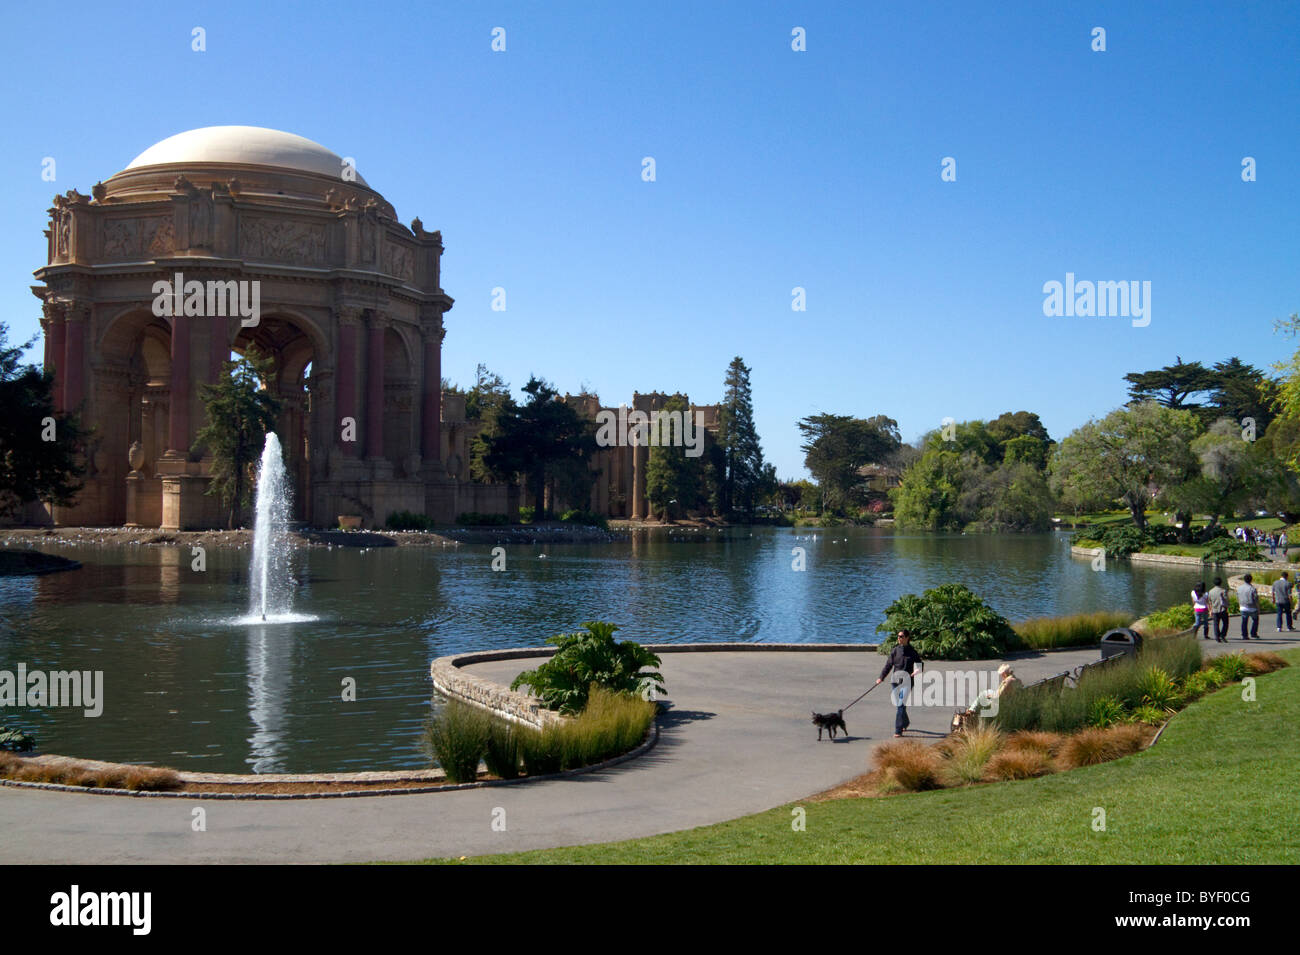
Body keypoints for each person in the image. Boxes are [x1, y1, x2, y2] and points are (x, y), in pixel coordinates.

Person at [875, 629, 922, 738]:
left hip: (907, 682)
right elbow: (888, 665)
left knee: (901, 704)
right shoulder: (895, 651)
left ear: (907, 638)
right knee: (899, 705)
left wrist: (917, 671)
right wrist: (881, 677)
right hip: (895, 681)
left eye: (901, 636)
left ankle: (898, 730)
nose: (899, 638)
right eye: (898, 636)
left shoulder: (912, 651)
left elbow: (920, 664)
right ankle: (905, 722)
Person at [1237, 574, 1260, 640]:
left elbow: (1238, 597)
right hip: (1252, 607)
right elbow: (1256, 599)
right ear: (1251, 580)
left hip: (1243, 607)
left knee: (1244, 621)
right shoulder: (1252, 588)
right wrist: (1258, 608)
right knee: (1255, 620)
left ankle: (1244, 635)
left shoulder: (1239, 588)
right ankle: (1253, 633)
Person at [1208, 577, 1230, 643]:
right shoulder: (1223, 591)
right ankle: (1223, 635)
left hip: (1214, 609)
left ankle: (1217, 637)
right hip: (1222, 609)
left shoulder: (1210, 591)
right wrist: (1228, 605)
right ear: (1221, 583)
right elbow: (1226, 600)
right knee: (1225, 623)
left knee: (1216, 624)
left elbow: (1209, 601)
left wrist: (1210, 610)